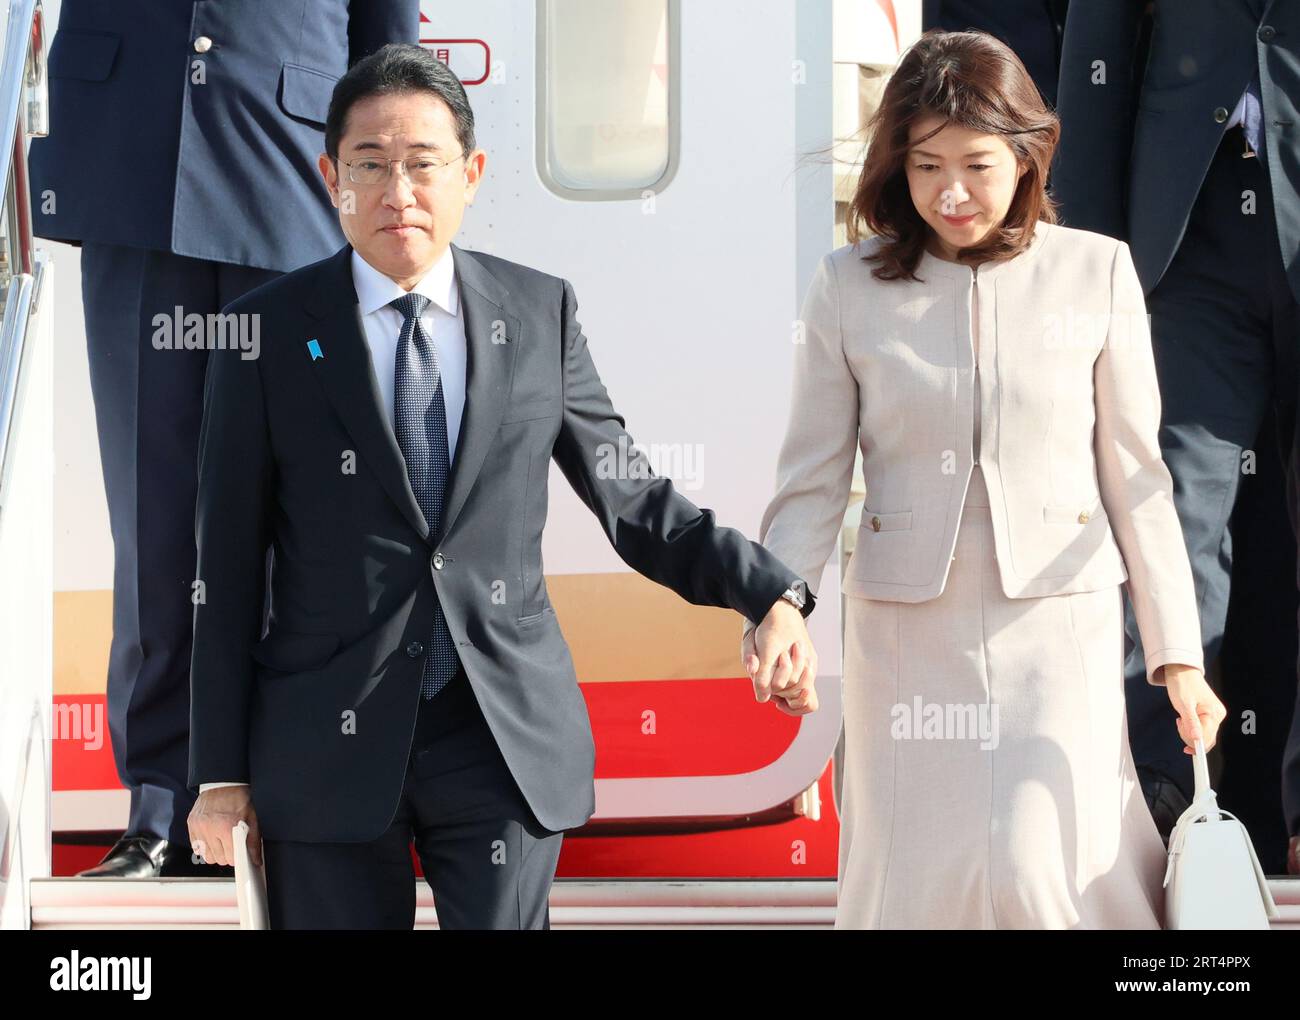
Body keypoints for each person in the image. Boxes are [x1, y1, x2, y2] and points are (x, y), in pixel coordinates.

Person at [185, 44, 818, 930]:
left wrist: (770, 594)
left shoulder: (538, 313)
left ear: (471, 174)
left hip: (498, 738)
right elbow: (224, 563)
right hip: (328, 742)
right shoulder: (266, 331)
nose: (397, 192)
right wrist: (220, 775)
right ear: (331, 176)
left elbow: (630, 496)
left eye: (422, 165)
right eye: (369, 165)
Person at [744, 29, 1226, 928]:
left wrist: (1179, 659)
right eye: (926, 166)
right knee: (920, 879)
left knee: (1043, 864)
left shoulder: (1096, 270)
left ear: (1027, 155)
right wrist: (781, 605)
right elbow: (810, 479)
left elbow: (1136, 476)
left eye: (976, 163)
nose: (951, 192)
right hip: (905, 635)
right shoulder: (846, 286)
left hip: (1060, 627)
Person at [28, 0, 421, 878]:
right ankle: (161, 808)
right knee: (153, 517)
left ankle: (273, 801)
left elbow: (388, 29)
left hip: (288, 177)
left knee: (290, 524)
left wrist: (391, 174)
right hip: (133, 160)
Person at [1052, 0, 1300, 873]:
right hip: (1190, 233)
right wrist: (1077, 253)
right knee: (1173, 505)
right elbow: (1101, 47)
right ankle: (1162, 793)